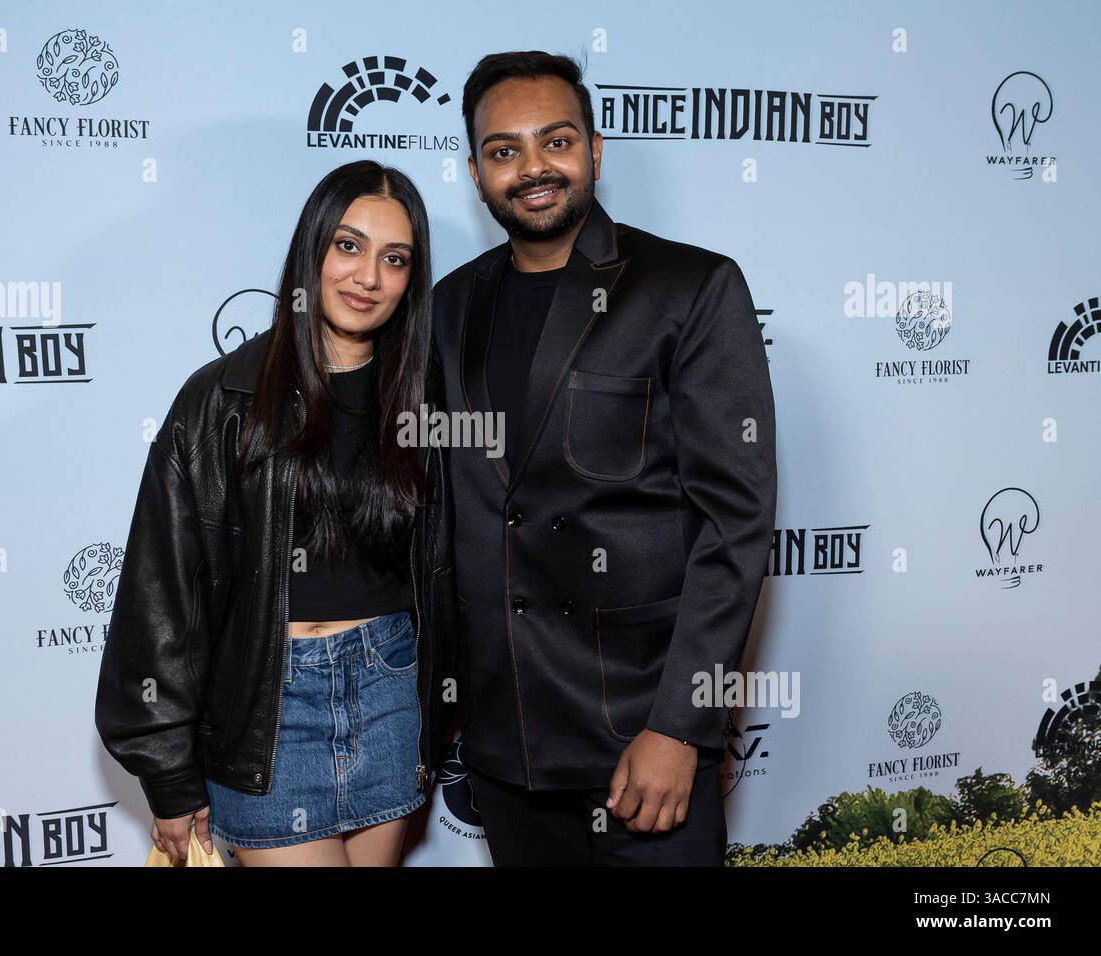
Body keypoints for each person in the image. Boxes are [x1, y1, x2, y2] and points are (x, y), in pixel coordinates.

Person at [431, 51, 778, 865]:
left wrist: (679, 728)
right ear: (477, 172)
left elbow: (735, 525)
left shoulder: (689, 288)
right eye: (503, 150)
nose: (532, 168)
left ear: (594, 150)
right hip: (503, 745)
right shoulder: (450, 307)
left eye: (555, 141)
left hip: (637, 744)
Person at [95, 160, 457, 866]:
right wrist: (168, 772)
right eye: (348, 247)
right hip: (268, 711)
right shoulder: (224, 398)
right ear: (311, 251)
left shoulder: (424, 402)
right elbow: (161, 588)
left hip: (391, 691)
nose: (368, 278)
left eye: (395, 259)